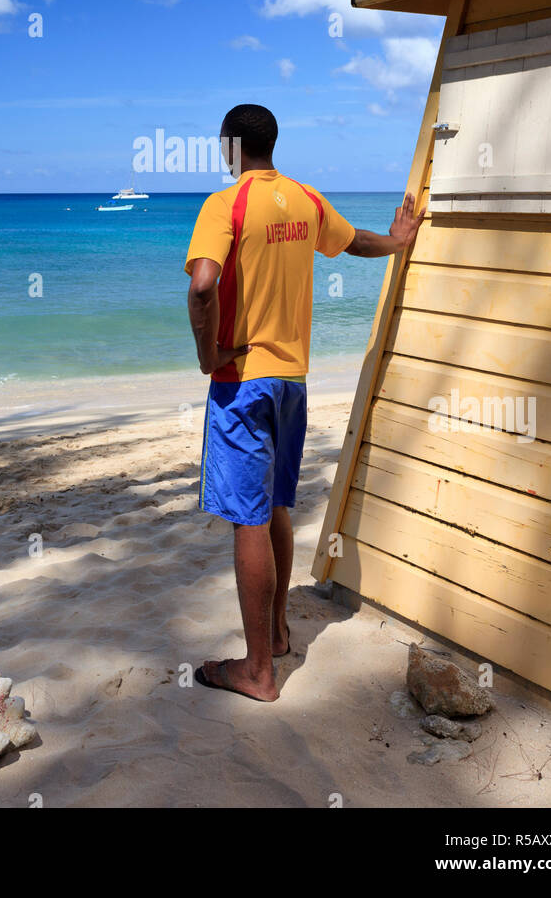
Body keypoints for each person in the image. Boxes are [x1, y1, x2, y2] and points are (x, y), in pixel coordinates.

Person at [184, 103, 426, 702]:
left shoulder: (225, 204)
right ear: (273, 143)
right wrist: (399, 242)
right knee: (278, 507)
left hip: (242, 382)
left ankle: (258, 671)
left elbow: (204, 283)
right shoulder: (306, 199)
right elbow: (355, 243)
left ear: (229, 148)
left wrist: (208, 352)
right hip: (292, 380)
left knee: (248, 519)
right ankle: (280, 634)